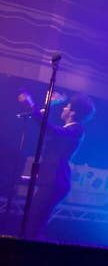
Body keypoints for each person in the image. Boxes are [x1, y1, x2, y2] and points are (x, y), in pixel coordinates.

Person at [16, 91, 95, 239]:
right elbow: (49, 128)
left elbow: (51, 130)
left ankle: (33, 256)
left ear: (72, 112)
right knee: (33, 220)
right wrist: (48, 105)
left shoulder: (76, 129)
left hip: (56, 181)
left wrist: (33, 104)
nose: (64, 109)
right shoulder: (69, 129)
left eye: (66, 106)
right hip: (51, 180)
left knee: (35, 222)